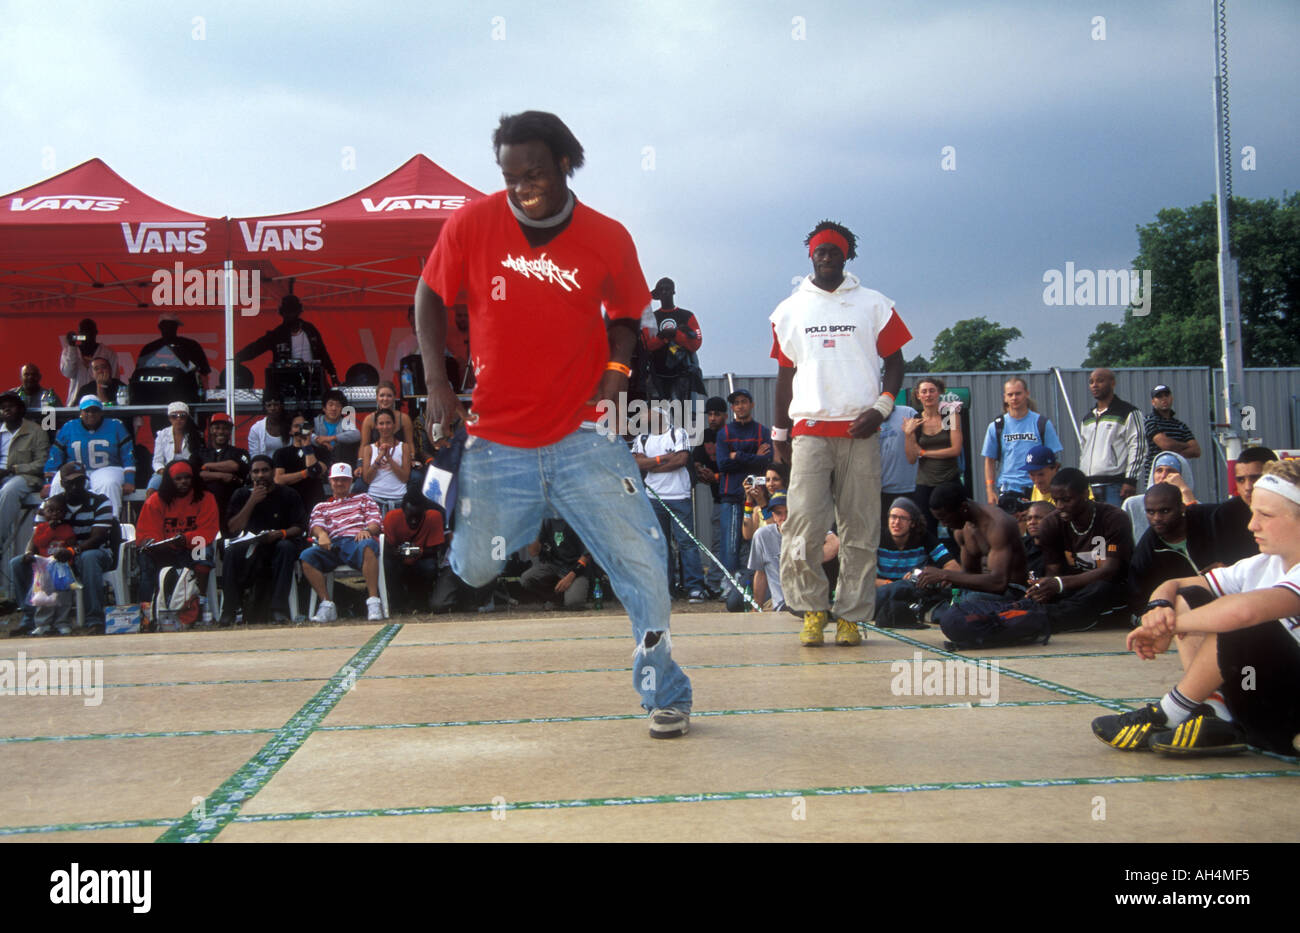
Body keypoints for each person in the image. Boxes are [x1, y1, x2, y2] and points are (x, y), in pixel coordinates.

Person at [414, 109, 692, 738]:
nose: (520, 187)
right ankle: (473, 544)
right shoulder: (472, 224)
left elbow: (626, 313)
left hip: (584, 435)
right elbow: (429, 295)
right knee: (478, 570)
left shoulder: (607, 235)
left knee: (644, 563)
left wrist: (618, 368)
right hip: (495, 441)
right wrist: (436, 384)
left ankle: (663, 688)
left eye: (533, 172)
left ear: (566, 163)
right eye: (509, 176)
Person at [1092, 460, 1300, 757]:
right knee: (1190, 596)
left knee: (1237, 619)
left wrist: (1170, 626)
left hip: (1288, 714)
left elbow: (1244, 612)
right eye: (1253, 513)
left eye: (1265, 515)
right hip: (1267, 702)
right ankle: (1214, 714)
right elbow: (1177, 584)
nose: (1251, 525)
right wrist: (1159, 607)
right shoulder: (1264, 563)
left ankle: (1169, 712)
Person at [770, 219, 911, 647]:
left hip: (860, 430)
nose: (826, 257)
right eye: (819, 251)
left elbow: (897, 363)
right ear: (810, 256)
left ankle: (851, 616)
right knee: (803, 528)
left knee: (861, 529)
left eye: (834, 251)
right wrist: (779, 432)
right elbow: (784, 374)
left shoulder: (874, 304)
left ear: (847, 255)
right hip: (809, 430)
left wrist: (881, 407)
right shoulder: (790, 309)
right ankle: (813, 609)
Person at [9, 462, 116, 635]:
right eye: (71, 482)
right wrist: (29, 553)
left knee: (89, 557)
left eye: (79, 482)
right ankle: (30, 620)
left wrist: (72, 551)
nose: (75, 486)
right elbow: (36, 537)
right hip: (54, 557)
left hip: (90, 552)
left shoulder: (100, 502)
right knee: (17, 563)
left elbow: (98, 537)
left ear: (85, 482)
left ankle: (94, 620)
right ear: (63, 483)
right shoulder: (49, 505)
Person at [1025, 467, 1133, 631]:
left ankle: (1041, 619)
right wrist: (1044, 589)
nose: (1060, 506)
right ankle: (1033, 615)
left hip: (1112, 587)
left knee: (1100, 589)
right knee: (1038, 597)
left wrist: (1059, 583)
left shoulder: (1114, 518)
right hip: (1073, 589)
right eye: (1056, 500)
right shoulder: (1051, 523)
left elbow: (1111, 570)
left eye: (1067, 500)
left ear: (1084, 494)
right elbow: (1053, 571)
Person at [221, 455, 308, 625]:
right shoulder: (241, 494)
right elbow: (232, 528)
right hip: (250, 546)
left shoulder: (288, 494)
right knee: (231, 551)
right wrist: (252, 501)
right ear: (251, 475)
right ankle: (229, 611)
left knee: (286, 547)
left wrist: (280, 533)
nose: (260, 475)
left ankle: (278, 610)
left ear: (273, 472)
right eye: (256, 471)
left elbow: (300, 526)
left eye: (265, 470)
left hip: (278, 543)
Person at [632, 406, 706, 602]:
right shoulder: (642, 439)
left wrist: (653, 466)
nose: (645, 415)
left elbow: (681, 459)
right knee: (660, 544)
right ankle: (665, 589)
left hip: (678, 495)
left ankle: (695, 587)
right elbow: (638, 463)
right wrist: (664, 458)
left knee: (686, 542)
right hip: (654, 497)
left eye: (650, 412)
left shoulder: (677, 433)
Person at [300, 463, 385, 622]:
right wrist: (322, 534)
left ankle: (373, 602)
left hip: (356, 541)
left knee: (368, 545)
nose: (339, 483)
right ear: (330, 481)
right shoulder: (322, 506)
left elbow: (376, 522)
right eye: (336, 480)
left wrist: (367, 530)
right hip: (333, 545)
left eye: (344, 480)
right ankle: (326, 604)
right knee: (306, 556)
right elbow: (315, 526)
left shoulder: (363, 498)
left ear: (351, 481)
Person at [135, 460, 219, 608]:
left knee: (203, 550)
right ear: (170, 481)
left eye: (187, 478)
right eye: (178, 479)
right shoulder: (155, 500)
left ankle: (199, 602)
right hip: (165, 551)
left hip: (191, 547)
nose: (183, 482)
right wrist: (163, 544)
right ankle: (147, 610)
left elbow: (207, 530)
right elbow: (147, 532)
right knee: (145, 557)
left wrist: (185, 539)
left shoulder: (206, 498)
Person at [717, 388, 772, 596]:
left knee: (757, 542)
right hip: (731, 496)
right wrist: (752, 456)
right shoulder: (725, 433)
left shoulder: (762, 432)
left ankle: (755, 585)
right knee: (731, 544)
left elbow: (766, 461)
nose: (740, 406)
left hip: (758, 497)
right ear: (732, 408)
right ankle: (729, 587)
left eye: (744, 402)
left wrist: (736, 456)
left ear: (752, 405)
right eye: (736, 403)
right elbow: (722, 464)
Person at [873, 497, 959, 628]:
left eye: (902, 518)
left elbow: (955, 568)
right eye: (893, 517)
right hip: (884, 592)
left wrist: (927, 574)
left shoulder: (924, 537)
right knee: (900, 587)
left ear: (912, 523)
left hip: (915, 591)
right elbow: (863, 577)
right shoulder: (877, 538)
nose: (896, 522)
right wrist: (890, 584)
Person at [45, 396, 135, 517]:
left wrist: (129, 480)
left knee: (109, 483)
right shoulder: (69, 427)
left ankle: (110, 522)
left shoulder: (116, 426)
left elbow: (128, 455)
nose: (91, 414)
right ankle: (57, 522)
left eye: (95, 411)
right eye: (87, 411)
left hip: (108, 468)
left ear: (101, 412)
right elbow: (55, 456)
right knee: (59, 484)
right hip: (75, 470)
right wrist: (47, 483)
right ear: (80, 412)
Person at [0, 392, 50, 601]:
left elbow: (42, 463)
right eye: (3, 408)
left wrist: (13, 469)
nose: (6, 411)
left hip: (24, 477)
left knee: (9, 491)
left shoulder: (36, 431)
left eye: (10, 407)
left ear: (21, 409)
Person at [981, 376, 1062, 505]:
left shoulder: (1042, 423)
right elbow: (989, 460)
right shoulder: (997, 426)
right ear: (1005, 397)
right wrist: (990, 491)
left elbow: (1054, 460)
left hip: (1037, 488)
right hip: (1009, 488)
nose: (1014, 398)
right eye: (1010, 394)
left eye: (1018, 393)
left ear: (1026, 394)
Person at [234, 294, 340, 385]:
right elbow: (256, 348)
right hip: (288, 380)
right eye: (287, 313)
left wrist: (333, 374)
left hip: (313, 378)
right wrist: (237, 358)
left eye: (292, 312)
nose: (290, 316)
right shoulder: (277, 334)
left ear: (298, 312)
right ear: (282, 314)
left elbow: (323, 353)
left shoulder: (310, 329)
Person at [905, 376, 962, 537]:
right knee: (926, 530)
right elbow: (911, 458)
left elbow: (955, 449)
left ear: (939, 393)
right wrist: (908, 435)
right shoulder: (916, 421)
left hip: (949, 480)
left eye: (932, 391)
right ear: (918, 395)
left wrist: (925, 453)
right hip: (925, 483)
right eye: (924, 391)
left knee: (957, 529)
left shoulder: (949, 415)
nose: (928, 395)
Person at [1079, 367, 1145, 505]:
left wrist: (1130, 480)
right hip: (1089, 487)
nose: (1094, 385)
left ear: (1112, 383)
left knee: (1115, 525)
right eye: (1091, 382)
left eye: (1100, 381)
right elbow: (1083, 451)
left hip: (1115, 486)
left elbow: (1138, 447)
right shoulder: (1087, 418)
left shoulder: (1128, 412)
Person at [19, 494, 79, 636]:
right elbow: (40, 543)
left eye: (58, 511)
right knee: (43, 598)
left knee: (63, 598)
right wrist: (50, 529)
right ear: (43, 512)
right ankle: (43, 623)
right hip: (44, 570)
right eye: (50, 511)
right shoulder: (40, 528)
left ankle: (62, 622)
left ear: (64, 514)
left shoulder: (66, 529)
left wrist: (68, 554)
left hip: (62, 569)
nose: (54, 514)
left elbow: (71, 545)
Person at [641, 277, 704, 403]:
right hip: (656, 375)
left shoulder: (687, 315)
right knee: (656, 418)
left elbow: (696, 343)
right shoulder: (651, 318)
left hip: (681, 375)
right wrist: (662, 337)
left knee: (681, 418)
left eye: (668, 289)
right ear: (658, 294)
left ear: (674, 292)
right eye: (662, 290)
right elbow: (646, 345)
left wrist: (676, 335)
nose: (665, 292)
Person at [382, 492, 446, 613]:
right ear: (403, 510)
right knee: (388, 565)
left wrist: (411, 551)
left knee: (430, 566)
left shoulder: (434, 517)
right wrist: (407, 552)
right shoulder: (392, 518)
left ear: (425, 511)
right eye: (410, 516)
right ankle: (397, 603)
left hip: (422, 558)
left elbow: (435, 549)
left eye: (417, 516)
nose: (413, 521)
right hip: (399, 559)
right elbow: (387, 548)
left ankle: (421, 601)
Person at [692, 395, 728, 595]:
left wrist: (715, 476)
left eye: (717, 414)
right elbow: (696, 459)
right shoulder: (704, 435)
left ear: (725, 415)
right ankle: (714, 583)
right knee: (717, 542)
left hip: (735, 497)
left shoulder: (731, 434)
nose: (712, 418)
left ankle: (732, 581)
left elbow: (737, 467)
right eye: (710, 414)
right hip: (717, 498)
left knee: (738, 544)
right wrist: (700, 471)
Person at [1122, 451, 1195, 544]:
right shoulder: (1132, 504)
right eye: (1159, 470)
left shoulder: (1192, 504)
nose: (1163, 476)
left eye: (1171, 471)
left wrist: (1185, 491)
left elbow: (1200, 533)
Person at [521, 518, 595, 610]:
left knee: (574, 603)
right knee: (526, 579)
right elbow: (533, 552)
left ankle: (576, 595)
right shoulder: (547, 520)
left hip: (577, 571)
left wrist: (569, 578)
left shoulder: (575, 518)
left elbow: (586, 555)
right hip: (555, 566)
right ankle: (557, 599)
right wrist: (535, 530)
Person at [197, 413, 251, 537]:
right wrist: (222, 476)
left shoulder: (240, 452)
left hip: (232, 508)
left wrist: (206, 467)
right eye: (217, 428)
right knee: (202, 549)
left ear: (230, 431)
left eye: (225, 428)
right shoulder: (199, 453)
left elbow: (236, 466)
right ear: (210, 430)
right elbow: (195, 474)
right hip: (204, 508)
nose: (221, 431)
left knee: (230, 547)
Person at [273, 410, 331, 514]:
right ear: (290, 430)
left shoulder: (321, 451)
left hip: (314, 501)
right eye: (296, 426)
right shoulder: (281, 453)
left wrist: (307, 446)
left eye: (303, 426)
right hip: (290, 502)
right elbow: (278, 479)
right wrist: (305, 473)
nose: (300, 429)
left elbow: (315, 471)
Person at [1141, 384, 1201, 481]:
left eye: (1166, 395)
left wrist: (1170, 449)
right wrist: (1186, 445)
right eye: (1159, 396)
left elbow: (1196, 451)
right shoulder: (1149, 421)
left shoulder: (1180, 425)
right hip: (1156, 478)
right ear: (1153, 402)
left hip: (1178, 477)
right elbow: (1166, 444)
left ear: (1171, 398)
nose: (1164, 399)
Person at [137, 311, 211, 387]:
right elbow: (139, 374)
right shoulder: (149, 348)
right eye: (166, 325)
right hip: (161, 393)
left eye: (171, 325)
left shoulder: (191, 345)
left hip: (184, 392)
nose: (169, 328)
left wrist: (204, 393)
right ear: (160, 327)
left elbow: (203, 372)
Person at [360, 408, 411, 514]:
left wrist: (389, 458)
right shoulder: (368, 448)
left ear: (394, 425)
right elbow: (367, 479)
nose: (385, 427)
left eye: (388, 423)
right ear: (376, 426)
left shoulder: (404, 447)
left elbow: (405, 478)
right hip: (374, 498)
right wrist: (379, 457)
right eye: (381, 424)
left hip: (399, 498)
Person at [148, 401, 204, 491]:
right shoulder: (162, 435)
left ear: (187, 418)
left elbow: (198, 461)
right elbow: (157, 461)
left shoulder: (196, 435)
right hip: (166, 472)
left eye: (182, 416)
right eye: (174, 416)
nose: (178, 419)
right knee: (151, 489)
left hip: (188, 472)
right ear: (169, 418)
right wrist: (165, 472)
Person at [58, 318, 115, 404]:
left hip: (100, 401)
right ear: (79, 334)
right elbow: (68, 373)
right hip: (76, 401)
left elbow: (113, 378)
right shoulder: (69, 351)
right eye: (83, 332)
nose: (86, 334)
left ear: (96, 332)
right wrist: (72, 347)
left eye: (89, 331)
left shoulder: (107, 353)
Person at [879, 397, 919, 520]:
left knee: (910, 527)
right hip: (878, 489)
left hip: (907, 486)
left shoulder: (908, 413)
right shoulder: (869, 418)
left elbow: (922, 444)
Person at [313, 389, 361, 467]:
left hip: (340, 462)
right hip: (319, 462)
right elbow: (305, 434)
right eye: (330, 405)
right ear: (324, 408)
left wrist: (332, 438)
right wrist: (317, 440)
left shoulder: (345, 422)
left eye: (338, 405)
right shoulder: (316, 421)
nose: (334, 408)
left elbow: (357, 434)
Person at [360, 381, 416, 447]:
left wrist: (411, 455)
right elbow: (364, 446)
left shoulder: (404, 419)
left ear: (394, 397)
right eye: (382, 395)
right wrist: (361, 457)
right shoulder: (369, 420)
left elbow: (410, 444)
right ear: (377, 398)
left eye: (389, 396)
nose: (385, 399)